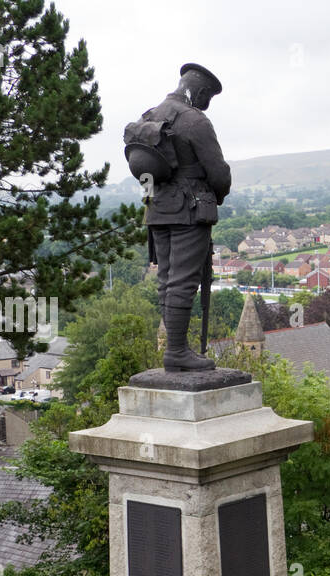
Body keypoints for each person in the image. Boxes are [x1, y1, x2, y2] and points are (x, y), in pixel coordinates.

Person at [137, 63, 233, 372]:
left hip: (157, 209)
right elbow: (218, 173)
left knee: (167, 279)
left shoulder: (149, 116)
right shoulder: (194, 120)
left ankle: (176, 349)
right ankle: (177, 351)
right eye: (209, 96)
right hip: (189, 210)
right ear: (201, 91)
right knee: (183, 281)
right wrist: (214, 197)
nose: (207, 103)